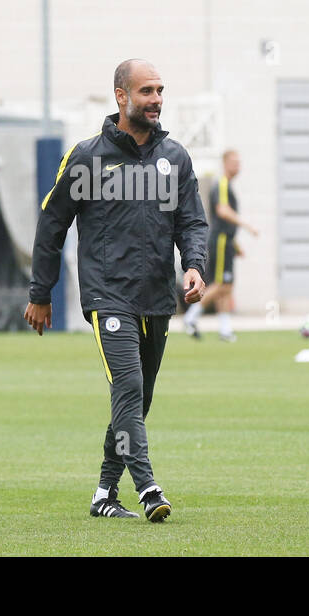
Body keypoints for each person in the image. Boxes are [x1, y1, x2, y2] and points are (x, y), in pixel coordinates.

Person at [24, 58, 208, 522]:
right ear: (121, 97)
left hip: (157, 295)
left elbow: (191, 222)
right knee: (127, 385)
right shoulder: (87, 157)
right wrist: (40, 293)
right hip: (108, 296)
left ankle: (104, 492)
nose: (157, 100)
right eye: (147, 91)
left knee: (138, 398)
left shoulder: (176, 159)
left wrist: (194, 266)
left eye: (161, 90)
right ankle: (148, 488)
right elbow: (52, 221)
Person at [184, 149, 258, 342]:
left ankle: (225, 329)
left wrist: (236, 244)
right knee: (220, 284)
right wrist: (247, 225)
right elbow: (222, 211)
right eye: (234, 162)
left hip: (227, 241)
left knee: (226, 286)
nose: (237, 166)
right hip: (220, 241)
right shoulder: (222, 184)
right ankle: (191, 317)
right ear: (225, 163)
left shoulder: (228, 185)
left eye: (239, 162)